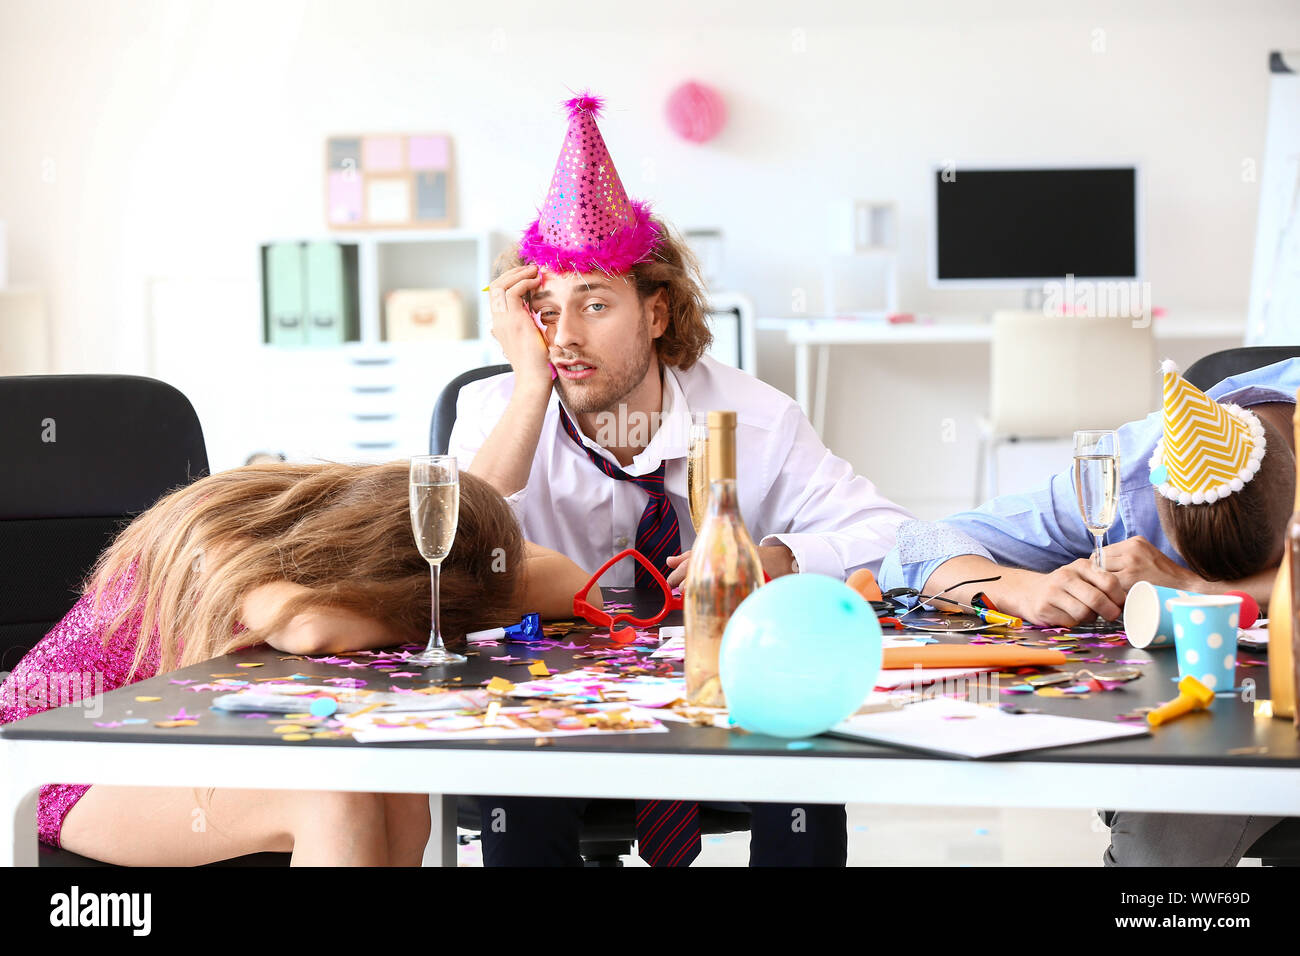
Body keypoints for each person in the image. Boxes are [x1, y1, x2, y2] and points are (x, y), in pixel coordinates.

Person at [450, 91, 914, 866]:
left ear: (657, 314)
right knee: (511, 773)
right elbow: (454, 550)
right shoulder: (495, 408)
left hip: (720, 692)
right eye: (544, 310)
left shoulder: (753, 420)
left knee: (806, 758)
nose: (563, 337)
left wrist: (777, 558)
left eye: (593, 304)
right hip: (549, 704)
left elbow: (893, 532)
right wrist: (529, 386)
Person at [0, 461, 597, 866]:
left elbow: (573, 584)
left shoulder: (327, 537)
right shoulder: (220, 529)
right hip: (60, 763)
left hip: (185, 746)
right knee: (330, 797)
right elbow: (311, 629)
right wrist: (434, 612)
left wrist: (447, 593)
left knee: (394, 783)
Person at [879, 357, 1300, 865]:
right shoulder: (1128, 476)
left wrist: (1195, 584)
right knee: (1161, 838)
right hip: (1224, 723)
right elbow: (909, 551)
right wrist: (1024, 588)